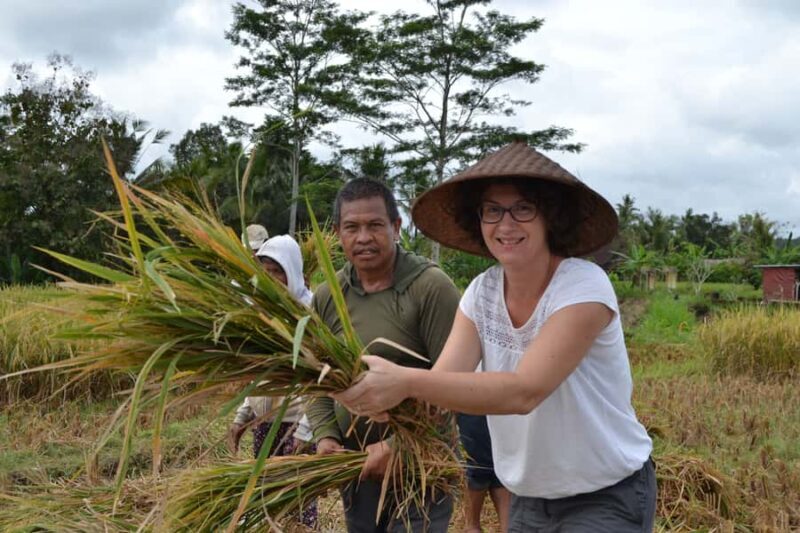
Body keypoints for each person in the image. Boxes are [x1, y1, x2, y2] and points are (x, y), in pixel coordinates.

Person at [334, 142, 657, 532]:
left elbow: (524, 392)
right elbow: (442, 386)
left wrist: (404, 381)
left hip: (604, 495)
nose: (505, 225)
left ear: (549, 216)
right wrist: (379, 404)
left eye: (523, 208)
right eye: (492, 210)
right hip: (527, 498)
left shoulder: (583, 286)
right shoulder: (481, 293)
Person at [307, 178, 461, 533]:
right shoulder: (329, 295)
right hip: (358, 469)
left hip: (422, 468)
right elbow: (315, 379)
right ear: (337, 233)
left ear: (395, 227)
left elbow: (454, 385)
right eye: (352, 227)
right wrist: (326, 436)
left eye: (375, 225)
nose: (363, 237)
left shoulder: (430, 288)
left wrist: (398, 446)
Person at [228, 234, 317, 528]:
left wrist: (305, 433)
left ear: (292, 272)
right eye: (264, 271)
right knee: (268, 499)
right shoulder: (263, 316)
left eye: (277, 271)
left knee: (299, 502)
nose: (270, 278)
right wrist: (243, 415)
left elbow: (323, 383)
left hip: (297, 424)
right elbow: (259, 376)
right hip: (265, 422)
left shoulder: (311, 316)